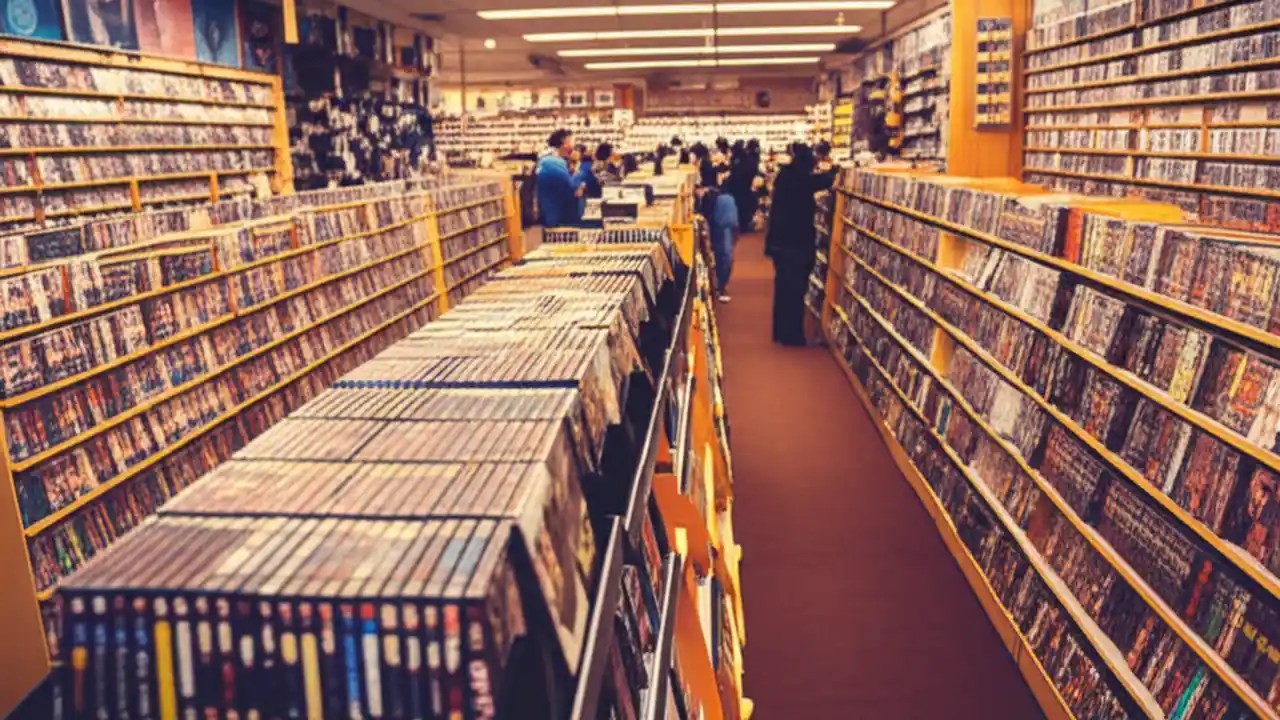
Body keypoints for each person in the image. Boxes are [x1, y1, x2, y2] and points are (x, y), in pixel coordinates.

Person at [765, 143, 837, 346]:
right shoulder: (800, 179)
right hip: (796, 244)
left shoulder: (785, 176)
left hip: (780, 243)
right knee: (796, 290)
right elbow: (822, 181)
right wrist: (835, 173)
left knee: (783, 288)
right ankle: (793, 334)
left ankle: (780, 331)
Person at [536, 129, 584, 228]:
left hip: (552, 214)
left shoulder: (550, 160)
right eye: (571, 142)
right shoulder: (552, 162)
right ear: (564, 143)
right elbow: (571, 188)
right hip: (556, 217)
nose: (573, 147)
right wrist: (578, 176)